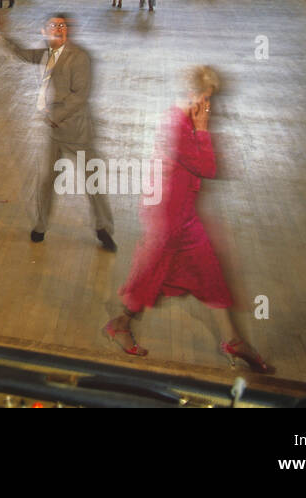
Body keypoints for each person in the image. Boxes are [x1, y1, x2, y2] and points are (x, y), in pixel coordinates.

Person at [104, 66, 273, 374]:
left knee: (211, 274)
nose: (211, 106)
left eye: (213, 100)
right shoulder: (179, 124)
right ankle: (120, 324)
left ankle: (233, 341)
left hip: (185, 216)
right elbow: (208, 167)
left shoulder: (189, 120)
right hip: (168, 219)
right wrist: (204, 129)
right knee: (149, 278)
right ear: (194, 94)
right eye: (208, 98)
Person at [0, 11, 116, 251]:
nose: (58, 30)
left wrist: (55, 117)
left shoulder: (80, 58)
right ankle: (41, 226)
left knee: (92, 182)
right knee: (47, 182)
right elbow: (20, 53)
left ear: (68, 31)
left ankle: (103, 228)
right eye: (53, 26)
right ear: (45, 31)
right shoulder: (48, 53)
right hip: (56, 133)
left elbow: (80, 97)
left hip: (78, 133)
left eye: (62, 26)